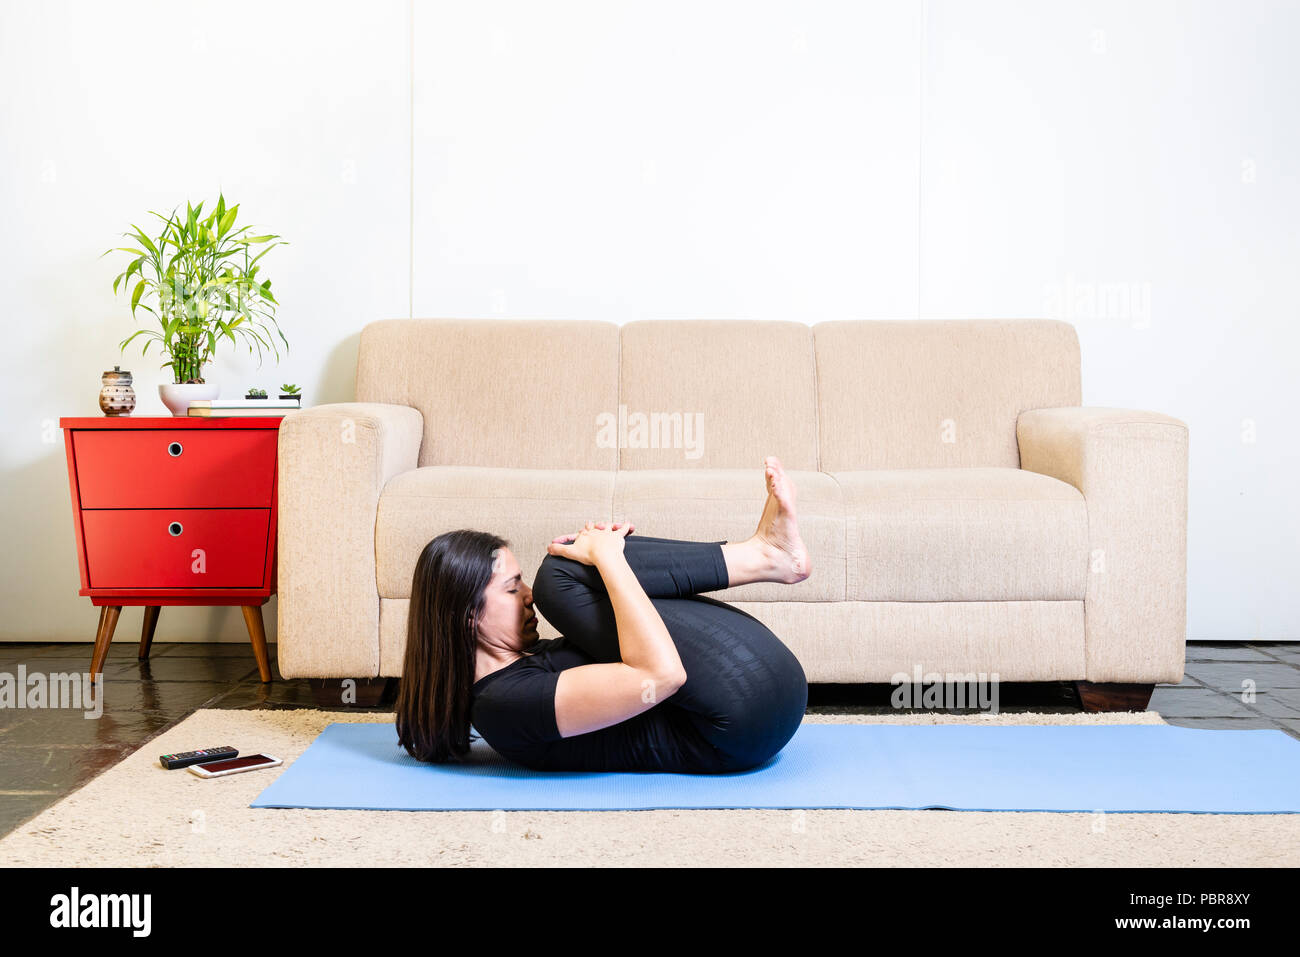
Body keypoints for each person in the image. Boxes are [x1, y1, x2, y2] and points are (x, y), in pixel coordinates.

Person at [396, 456, 810, 773]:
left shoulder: (524, 663)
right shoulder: (504, 704)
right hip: (742, 722)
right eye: (510, 588)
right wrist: (611, 561)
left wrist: (601, 558)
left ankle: (765, 554)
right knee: (560, 576)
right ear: (469, 616)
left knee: (566, 570)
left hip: (764, 692)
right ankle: (765, 555)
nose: (528, 597)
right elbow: (661, 676)